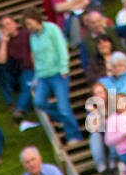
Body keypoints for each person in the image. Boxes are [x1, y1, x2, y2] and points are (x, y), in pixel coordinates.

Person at [23, 9, 84, 142]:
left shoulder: (52, 29)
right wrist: (36, 78)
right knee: (38, 101)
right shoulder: (33, 37)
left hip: (57, 73)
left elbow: (61, 47)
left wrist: (64, 68)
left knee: (64, 106)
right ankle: (63, 118)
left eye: (29, 23)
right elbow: (37, 58)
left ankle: (73, 135)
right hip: (43, 76)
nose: (28, 27)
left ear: (36, 19)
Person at [0, 15, 35, 119]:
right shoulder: (4, 42)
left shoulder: (26, 34)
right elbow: (0, 61)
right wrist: (4, 42)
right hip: (13, 72)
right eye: (4, 26)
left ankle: (20, 109)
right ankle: (10, 102)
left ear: (15, 24)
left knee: (27, 84)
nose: (7, 27)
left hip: (27, 68)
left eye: (8, 24)